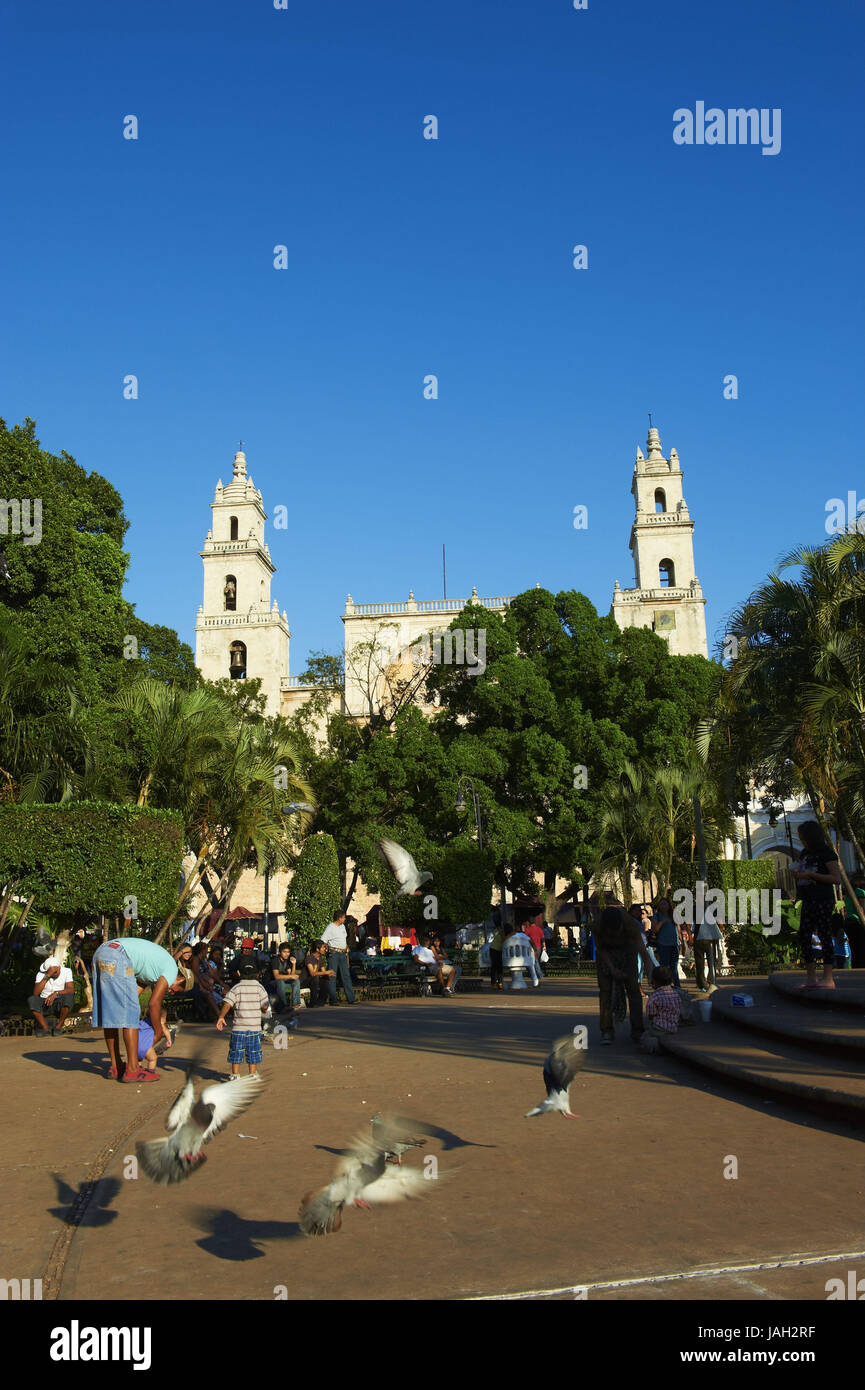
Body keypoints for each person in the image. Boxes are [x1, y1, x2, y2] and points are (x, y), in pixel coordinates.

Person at [91, 934, 186, 1082]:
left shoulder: (150, 971)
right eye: (174, 990)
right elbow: (154, 1003)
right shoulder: (172, 971)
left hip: (103, 952)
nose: (169, 991)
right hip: (119, 955)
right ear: (180, 979)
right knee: (131, 1014)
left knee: (111, 1014)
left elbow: (133, 996)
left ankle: (116, 1066)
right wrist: (158, 1029)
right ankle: (133, 1070)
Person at [592, 905, 655, 1044]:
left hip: (628, 952)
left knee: (633, 990)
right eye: (611, 931)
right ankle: (606, 1030)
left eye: (617, 930)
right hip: (606, 954)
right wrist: (612, 969)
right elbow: (600, 949)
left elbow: (643, 952)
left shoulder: (630, 925)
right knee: (605, 992)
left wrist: (650, 973)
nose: (614, 934)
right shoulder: (597, 925)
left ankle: (637, 1029)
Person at [792, 821, 842, 990]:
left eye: (803, 837)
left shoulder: (826, 853)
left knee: (825, 935)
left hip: (823, 900)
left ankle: (828, 978)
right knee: (804, 936)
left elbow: (836, 878)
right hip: (808, 899)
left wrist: (812, 874)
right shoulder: (805, 853)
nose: (802, 841)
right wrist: (798, 875)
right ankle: (811, 977)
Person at [216, 962, 269, 1078]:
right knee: (253, 1052)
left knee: (236, 1051)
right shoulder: (260, 988)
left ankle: (235, 1074)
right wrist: (264, 1011)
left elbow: (227, 1003)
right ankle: (252, 1074)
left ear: (239, 973)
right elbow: (265, 1005)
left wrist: (221, 1017)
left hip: (238, 1028)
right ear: (258, 974)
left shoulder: (236, 988)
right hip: (254, 1028)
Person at [29, 955, 75, 1037]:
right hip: (44, 1001)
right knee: (32, 1000)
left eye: (55, 972)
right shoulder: (41, 974)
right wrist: (47, 976)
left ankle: (58, 1027)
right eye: (51, 972)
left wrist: (56, 993)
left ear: (59, 968)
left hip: (58, 1001)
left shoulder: (67, 971)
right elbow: (35, 993)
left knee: (69, 998)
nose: (54, 974)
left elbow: (71, 989)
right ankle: (45, 1028)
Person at [321, 910, 356, 1005]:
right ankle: (333, 1000)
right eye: (344, 917)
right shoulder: (330, 927)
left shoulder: (342, 926)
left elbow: (343, 938)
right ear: (339, 918)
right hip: (334, 953)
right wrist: (327, 950)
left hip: (342, 953)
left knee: (346, 975)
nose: (345, 919)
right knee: (332, 976)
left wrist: (346, 948)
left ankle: (351, 998)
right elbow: (323, 940)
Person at [643, 965, 683, 1041]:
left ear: (654, 981)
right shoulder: (676, 993)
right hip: (673, 1027)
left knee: (645, 1035)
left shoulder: (655, 996)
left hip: (659, 1028)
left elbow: (651, 1015)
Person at [653, 897, 681, 989]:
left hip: (675, 944)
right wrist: (663, 922)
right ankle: (664, 986)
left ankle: (677, 986)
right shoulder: (656, 916)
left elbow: (678, 929)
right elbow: (655, 930)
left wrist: (682, 942)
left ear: (669, 905)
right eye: (661, 904)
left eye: (665, 904)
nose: (663, 906)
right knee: (664, 967)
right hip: (663, 944)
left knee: (674, 966)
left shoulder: (674, 915)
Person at [299, 941, 334, 1007]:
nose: (325, 949)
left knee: (325, 979)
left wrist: (328, 974)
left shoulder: (320, 959)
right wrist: (326, 972)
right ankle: (313, 1003)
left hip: (313, 980)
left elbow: (323, 971)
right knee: (315, 978)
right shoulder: (309, 958)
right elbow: (312, 973)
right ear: (317, 949)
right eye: (323, 947)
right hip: (304, 981)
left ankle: (321, 1001)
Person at [270, 941, 301, 1013]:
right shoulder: (275, 960)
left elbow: (291, 975)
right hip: (272, 983)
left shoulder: (287, 961)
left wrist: (294, 964)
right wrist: (291, 976)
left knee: (296, 981)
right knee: (280, 982)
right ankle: (283, 1005)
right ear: (280, 952)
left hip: (282, 984)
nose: (286, 954)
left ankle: (295, 1004)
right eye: (284, 952)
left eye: (288, 952)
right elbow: (276, 976)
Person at [842, 873, 865, 968]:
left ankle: (856, 965)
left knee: (854, 946)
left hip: (848, 921)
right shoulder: (860, 892)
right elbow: (862, 907)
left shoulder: (847, 894)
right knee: (862, 944)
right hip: (857, 921)